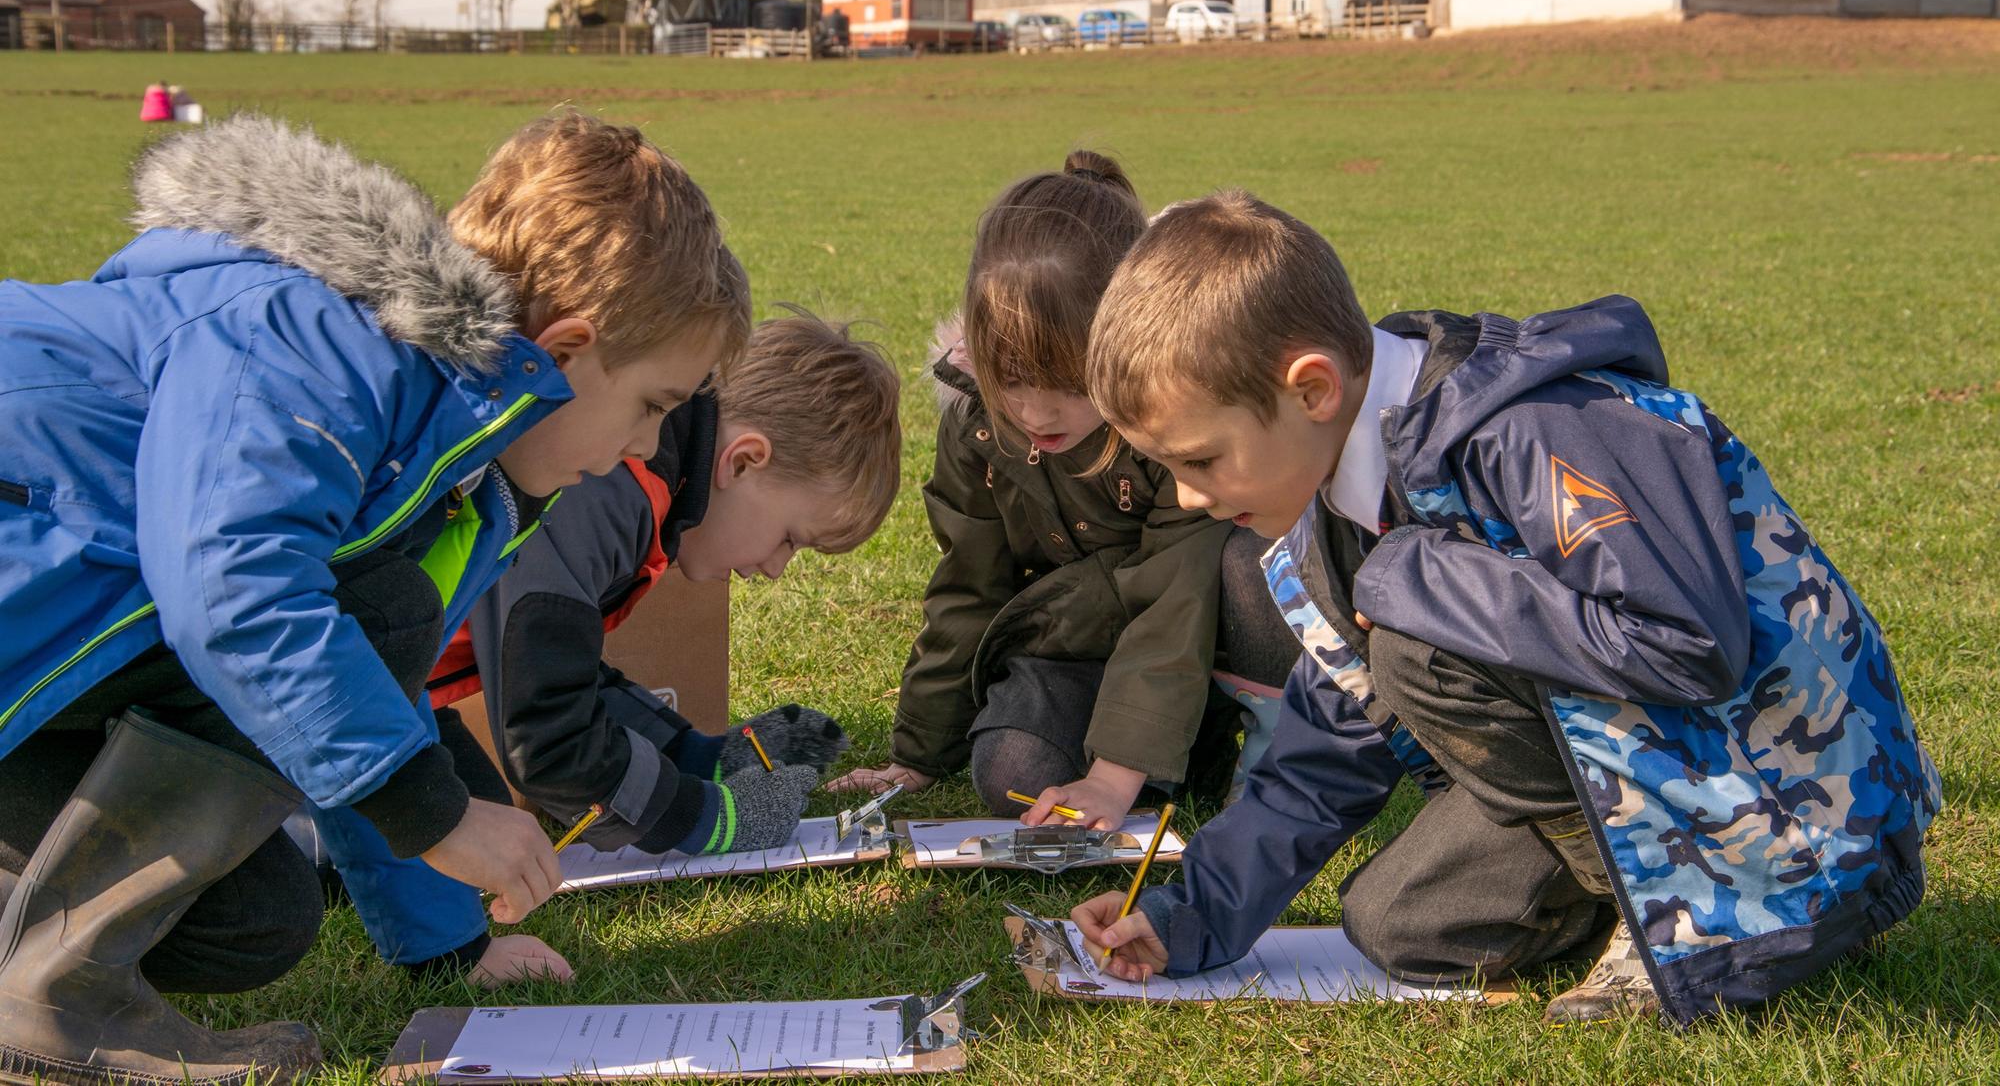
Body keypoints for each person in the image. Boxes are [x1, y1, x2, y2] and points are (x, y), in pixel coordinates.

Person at [0, 110, 749, 1083]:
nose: (650, 448)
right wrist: (436, 814)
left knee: (250, 920)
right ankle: (46, 999)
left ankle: (49, 975)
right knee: (369, 607)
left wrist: (448, 944)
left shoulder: (462, 469)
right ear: (565, 348)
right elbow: (239, 590)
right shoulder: (315, 334)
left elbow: (360, 682)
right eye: (652, 404)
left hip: (45, 669)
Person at [1072, 189, 1939, 1025]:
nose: (1187, 499)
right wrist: (1192, 915)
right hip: (1638, 774)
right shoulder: (1335, 498)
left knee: (1412, 639)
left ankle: (1738, 918)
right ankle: (1629, 899)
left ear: (1312, 390)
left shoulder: (1534, 430)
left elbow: (1690, 640)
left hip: (1804, 818)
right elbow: (1333, 733)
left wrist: (1421, 578)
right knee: (1397, 922)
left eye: (1201, 459)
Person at [331, 311, 902, 970]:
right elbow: (549, 739)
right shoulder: (609, 480)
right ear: (744, 460)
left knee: (456, 799)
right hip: (328, 684)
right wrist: (708, 820)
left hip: (380, 676)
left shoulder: (652, 480)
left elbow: (563, 672)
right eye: (791, 539)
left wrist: (698, 756)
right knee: (441, 814)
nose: (774, 568)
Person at [829, 154, 1295, 827]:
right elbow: (968, 587)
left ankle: (1218, 750)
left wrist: (1110, 777)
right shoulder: (976, 423)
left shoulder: (1170, 421)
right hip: (1074, 652)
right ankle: (1161, 761)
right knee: (1013, 773)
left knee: (1249, 563)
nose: (1037, 412)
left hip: (1197, 642)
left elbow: (1175, 601)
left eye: (1071, 382)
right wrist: (917, 753)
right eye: (1012, 374)